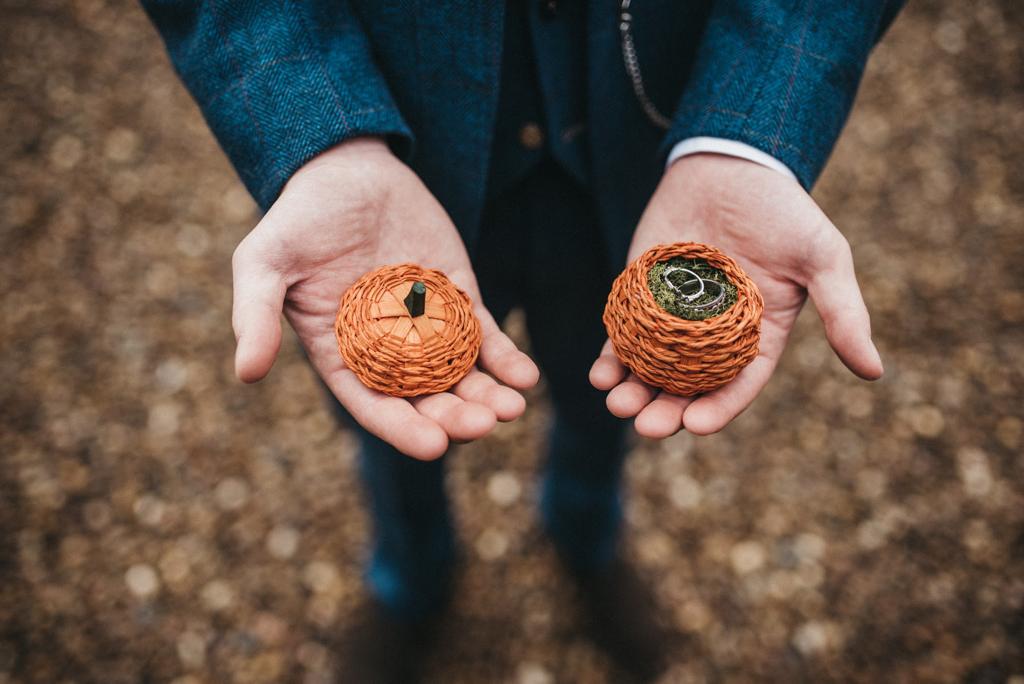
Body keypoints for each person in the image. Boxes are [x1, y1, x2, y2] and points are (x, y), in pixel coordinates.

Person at [141, 1, 901, 680]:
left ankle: (585, 535)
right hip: (400, 170)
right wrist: (317, 137)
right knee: (396, 423)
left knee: (613, 394)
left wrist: (746, 137)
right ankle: (410, 580)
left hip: (633, 176)